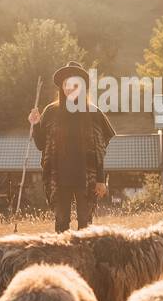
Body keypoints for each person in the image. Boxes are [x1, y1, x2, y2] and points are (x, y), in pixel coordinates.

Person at [29, 61, 115, 232]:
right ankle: (62, 249)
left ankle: (85, 250)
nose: (70, 88)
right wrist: (36, 124)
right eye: (66, 84)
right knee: (61, 223)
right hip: (58, 177)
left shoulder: (93, 113)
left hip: (86, 177)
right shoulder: (51, 112)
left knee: (85, 223)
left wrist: (101, 179)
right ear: (61, 87)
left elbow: (100, 152)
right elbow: (40, 145)